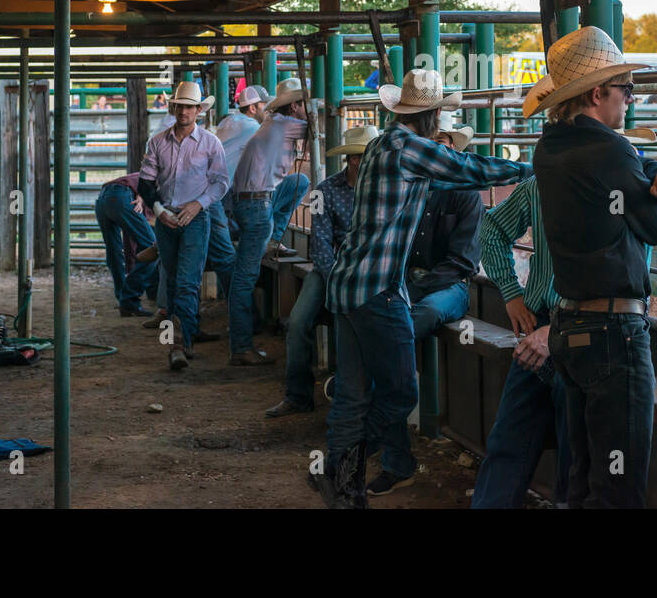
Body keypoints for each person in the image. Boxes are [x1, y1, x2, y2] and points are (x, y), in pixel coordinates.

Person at [313, 69, 532, 509]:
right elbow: (472, 168)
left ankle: (339, 480)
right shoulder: (411, 147)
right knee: (400, 393)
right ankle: (344, 467)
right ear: (433, 116)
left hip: (348, 283)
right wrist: (538, 165)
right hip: (378, 287)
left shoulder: (383, 145)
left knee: (354, 394)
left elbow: (456, 175)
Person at [524, 26, 657, 508]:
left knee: (582, 474)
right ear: (599, 93)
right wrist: (656, 174)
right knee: (618, 487)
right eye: (626, 90)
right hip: (614, 333)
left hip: (570, 325)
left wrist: (647, 167)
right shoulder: (613, 151)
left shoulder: (548, 148)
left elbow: (625, 177)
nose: (630, 101)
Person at [472, 126, 657, 509]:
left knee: (518, 442)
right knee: (571, 453)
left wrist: (517, 301)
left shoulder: (545, 183)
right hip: (583, 329)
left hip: (554, 326)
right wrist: (512, 296)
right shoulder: (627, 191)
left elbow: (492, 229)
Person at [367, 114, 484, 497]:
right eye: (434, 141)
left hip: (447, 286)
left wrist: (409, 291)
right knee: (388, 330)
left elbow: (462, 264)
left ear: (452, 148)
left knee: (414, 320)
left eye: (444, 143)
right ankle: (394, 454)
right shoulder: (409, 186)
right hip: (406, 283)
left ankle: (382, 436)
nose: (438, 149)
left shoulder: (465, 193)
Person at [266, 124, 378, 419]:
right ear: (354, 160)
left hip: (369, 272)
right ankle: (299, 395)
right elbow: (320, 245)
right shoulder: (325, 191)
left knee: (359, 326)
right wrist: (338, 280)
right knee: (297, 323)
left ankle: (352, 397)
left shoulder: (383, 190)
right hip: (333, 270)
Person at [138, 81, 230, 372]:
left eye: (190, 107)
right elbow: (145, 183)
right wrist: (158, 209)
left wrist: (199, 204)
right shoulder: (158, 142)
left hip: (194, 216)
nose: (184, 111)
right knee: (177, 279)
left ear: (198, 111)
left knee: (187, 280)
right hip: (167, 215)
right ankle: (185, 336)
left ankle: (178, 344)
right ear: (174, 108)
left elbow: (221, 182)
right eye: (180, 106)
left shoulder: (211, 143)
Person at [228, 77, 309, 366]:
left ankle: (272, 239)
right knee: (244, 277)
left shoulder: (274, 121)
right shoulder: (284, 124)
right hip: (256, 202)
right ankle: (240, 346)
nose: (307, 108)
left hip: (255, 198)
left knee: (300, 180)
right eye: (305, 104)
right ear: (296, 105)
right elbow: (320, 125)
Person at [94, 172, 157, 317]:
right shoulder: (167, 175)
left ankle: (124, 299)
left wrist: (130, 263)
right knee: (153, 248)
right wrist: (141, 198)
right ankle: (129, 298)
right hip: (122, 196)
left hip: (103, 198)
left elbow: (130, 240)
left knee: (114, 251)